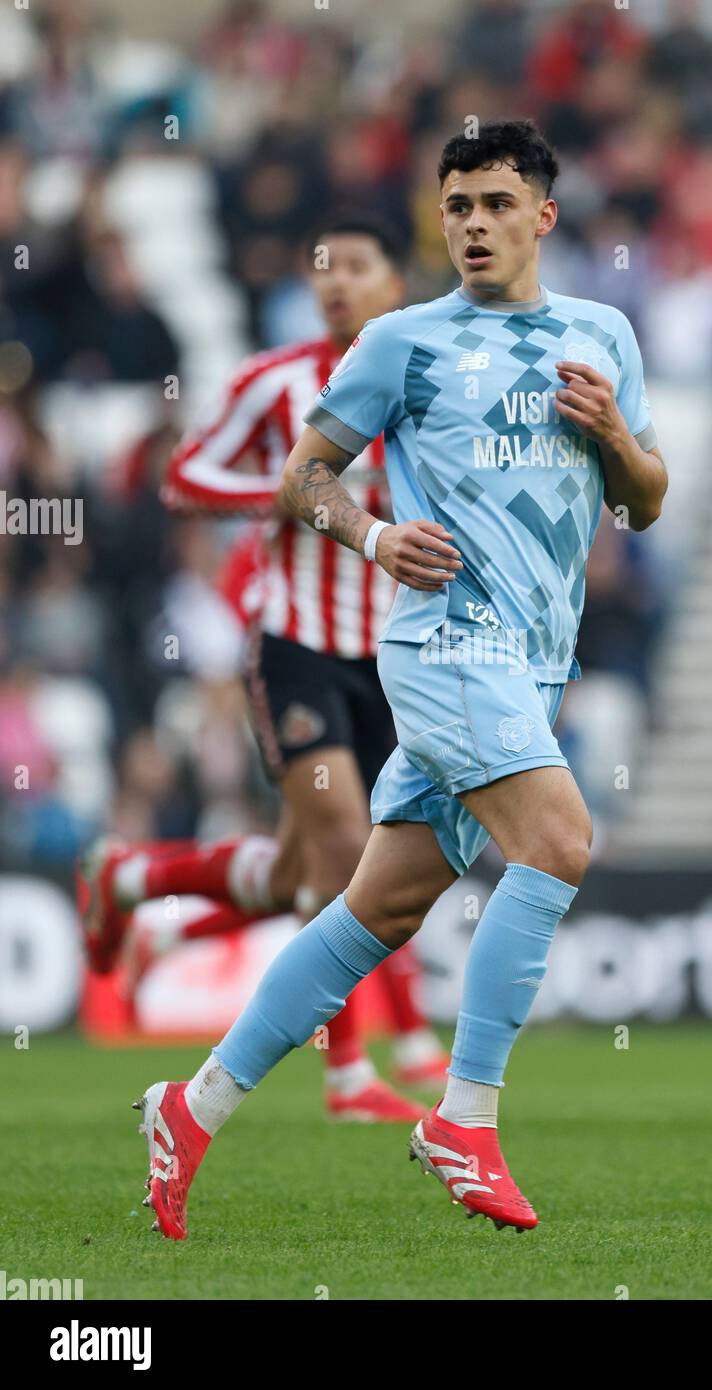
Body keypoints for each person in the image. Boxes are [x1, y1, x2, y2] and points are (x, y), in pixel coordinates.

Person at [134, 119, 666, 1238]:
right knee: (559, 841)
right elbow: (300, 479)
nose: (473, 224)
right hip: (442, 644)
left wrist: (615, 433)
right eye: (457, 205)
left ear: (542, 217)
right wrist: (373, 539)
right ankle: (463, 1118)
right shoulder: (403, 342)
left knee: (376, 906)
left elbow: (645, 499)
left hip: (532, 662)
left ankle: (192, 1105)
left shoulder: (602, 334)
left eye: (495, 205)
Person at [79, 216, 449, 1123]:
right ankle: (354, 1068)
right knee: (348, 848)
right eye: (322, 268)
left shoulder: (433, 381)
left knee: (293, 881)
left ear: (393, 282)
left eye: (356, 267)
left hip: (390, 659)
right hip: (295, 648)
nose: (336, 283)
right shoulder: (274, 382)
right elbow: (181, 479)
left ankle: (131, 881)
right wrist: (281, 493)